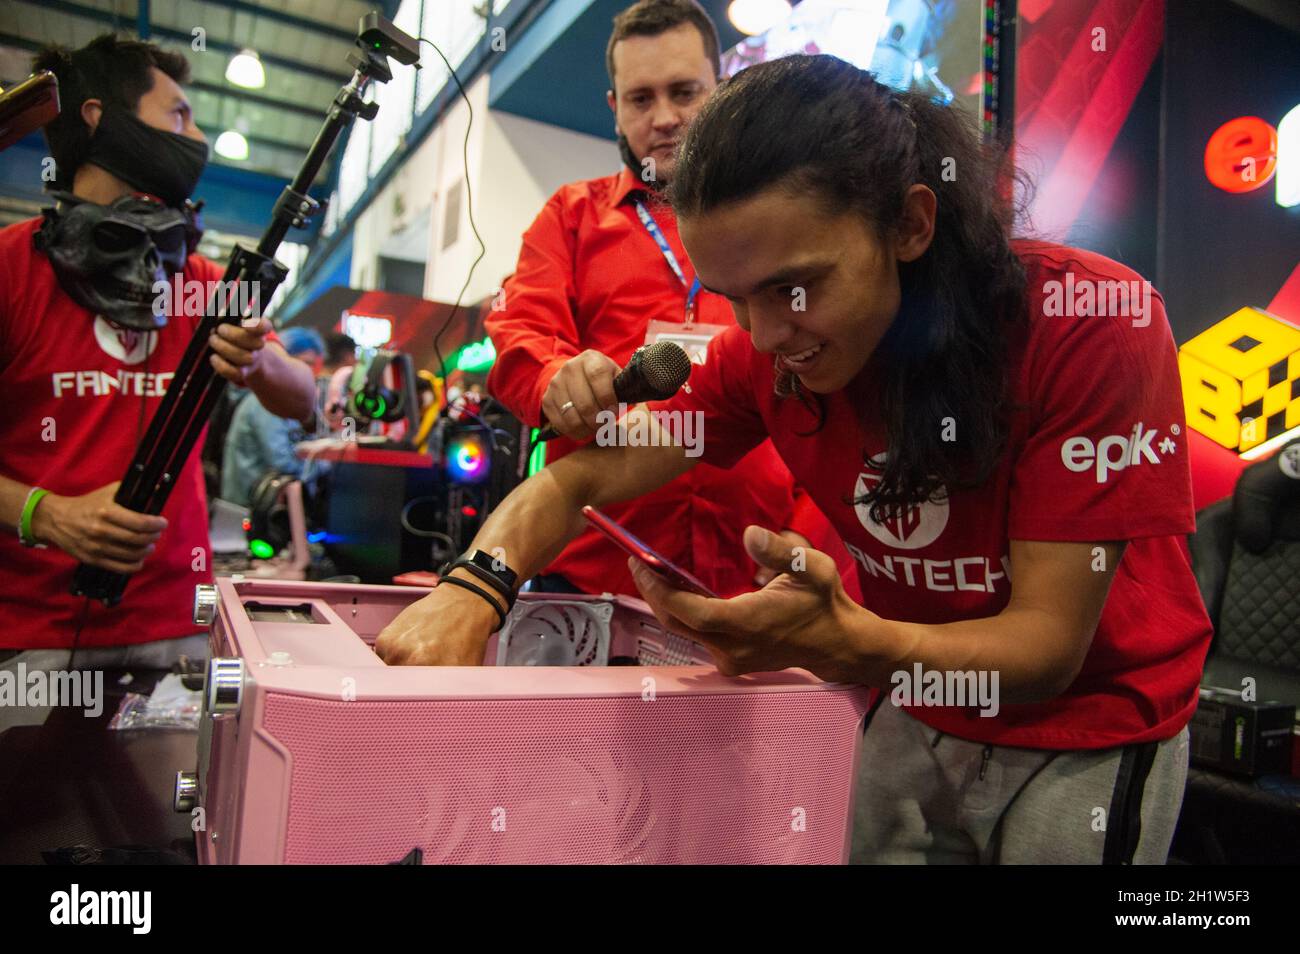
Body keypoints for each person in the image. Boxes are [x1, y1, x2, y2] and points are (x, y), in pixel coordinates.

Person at [377, 55, 1213, 865]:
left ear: (911, 224)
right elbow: (583, 477)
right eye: (736, 298)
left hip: (1092, 731)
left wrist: (845, 645)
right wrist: (477, 585)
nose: (768, 335)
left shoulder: (1093, 326)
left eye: (794, 288)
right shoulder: (758, 362)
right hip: (912, 697)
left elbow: (1045, 647)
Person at [0, 35, 317, 724]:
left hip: (177, 635)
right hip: (23, 647)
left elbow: (307, 400)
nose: (196, 138)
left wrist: (260, 361)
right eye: (178, 116)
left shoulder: (205, 284)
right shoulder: (9, 270)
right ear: (96, 117)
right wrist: (46, 514)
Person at [484, 0, 842, 599]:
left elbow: (825, 390)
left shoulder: (780, 220)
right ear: (614, 110)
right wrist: (555, 382)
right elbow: (520, 333)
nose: (666, 117)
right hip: (592, 579)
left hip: (757, 576)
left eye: (684, 91)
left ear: (721, 89)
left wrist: (805, 532)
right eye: (641, 99)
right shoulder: (570, 218)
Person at [220, 327, 324, 506]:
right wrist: (324, 465)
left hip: (264, 502)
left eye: (312, 365)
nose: (309, 373)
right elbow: (281, 462)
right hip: (248, 506)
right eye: (304, 364)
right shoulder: (265, 401)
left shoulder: (289, 400)